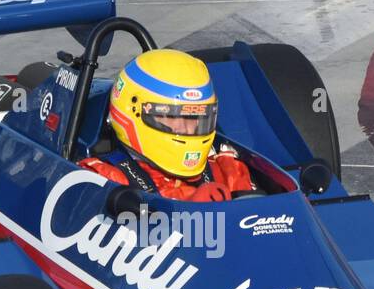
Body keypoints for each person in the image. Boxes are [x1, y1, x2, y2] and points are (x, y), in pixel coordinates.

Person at [79, 49, 256, 201]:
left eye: (196, 118)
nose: (187, 129)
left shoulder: (227, 170)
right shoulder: (101, 178)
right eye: (173, 118)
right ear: (133, 113)